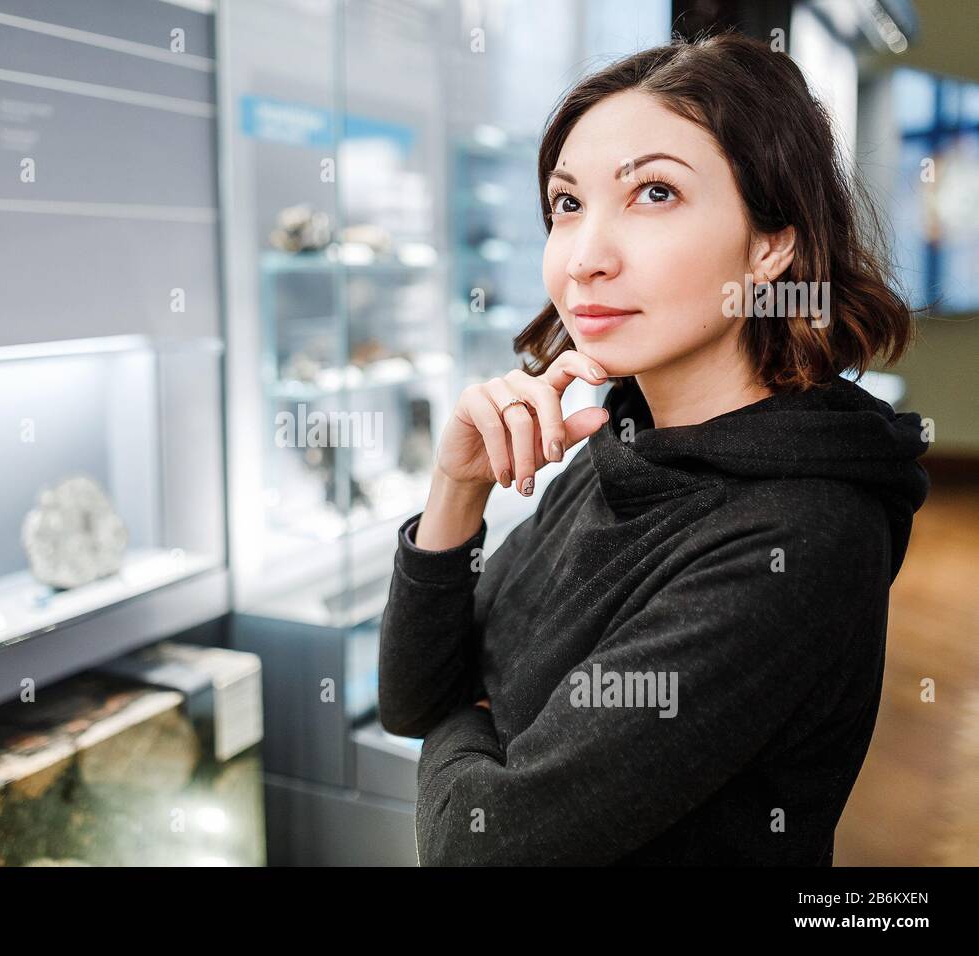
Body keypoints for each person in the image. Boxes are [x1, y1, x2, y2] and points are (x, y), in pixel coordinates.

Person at [377, 31, 931, 866]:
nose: (587, 259)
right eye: (568, 204)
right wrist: (457, 489)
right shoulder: (624, 443)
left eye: (655, 194)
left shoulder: (798, 531)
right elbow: (409, 698)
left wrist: (477, 710)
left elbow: (475, 845)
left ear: (770, 245)